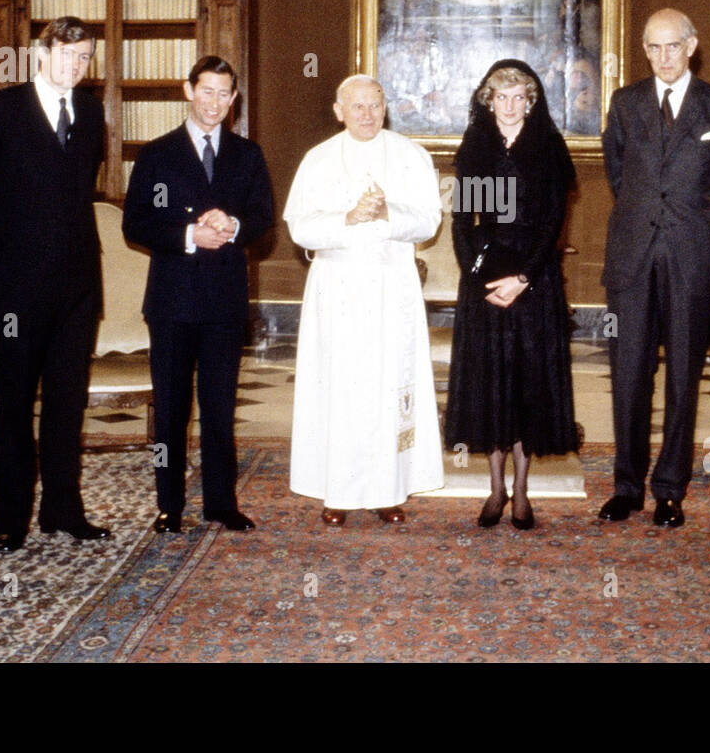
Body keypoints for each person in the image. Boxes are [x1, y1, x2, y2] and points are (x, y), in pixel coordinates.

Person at [0, 16, 110, 553]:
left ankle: (64, 511)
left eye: (85, 58)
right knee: (16, 404)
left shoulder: (91, 112)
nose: (76, 66)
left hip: (76, 288)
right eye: (67, 55)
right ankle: (11, 518)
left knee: (69, 404)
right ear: (41, 53)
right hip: (16, 292)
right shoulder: (1, 109)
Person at [600, 8, 710, 528]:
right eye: (653, 48)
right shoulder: (624, 103)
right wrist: (649, 220)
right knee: (628, 374)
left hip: (690, 258)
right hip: (632, 258)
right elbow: (619, 176)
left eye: (672, 46)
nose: (663, 57)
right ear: (645, 50)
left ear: (691, 45)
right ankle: (625, 486)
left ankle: (669, 489)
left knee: (684, 377)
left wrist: (692, 231)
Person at [122, 56, 274, 534]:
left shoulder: (248, 155)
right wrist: (190, 234)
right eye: (205, 91)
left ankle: (221, 503)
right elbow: (137, 223)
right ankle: (169, 504)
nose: (214, 102)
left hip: (224, 303)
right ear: (188, 91)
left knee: (219, 407)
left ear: (234, 99)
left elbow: (264, 220)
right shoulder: (157, 154)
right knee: (170, 411)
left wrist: (233, 227)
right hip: (172, 301)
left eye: (223, 94)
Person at [284, 75, 443, 524]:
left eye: (376, 105)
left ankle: (387, 490)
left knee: (390, 386)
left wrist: (390, 211)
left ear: (385, 106)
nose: (368, 114)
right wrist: (349, 217)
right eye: (358, 107)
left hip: (393, 287)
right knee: (341, 389)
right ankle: (337, 492)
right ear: (339, 111)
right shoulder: (317, 160)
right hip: (338, 290)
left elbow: (430, 221)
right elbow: (300, 227)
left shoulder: (411, 155)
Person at [445, 59, 578, 531]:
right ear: (488, 101)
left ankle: (522, 490)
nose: (509, 104)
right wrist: (478, 278)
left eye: (518, 96)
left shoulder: (548, 148)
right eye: (500, 96)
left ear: (531, 101)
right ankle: (495, 488)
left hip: (533, 282)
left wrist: (523, 277)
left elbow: (551, 226)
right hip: (485, 281)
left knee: (525, 388)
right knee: (490, 389)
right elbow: (465, 222)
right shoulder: (477, 147)